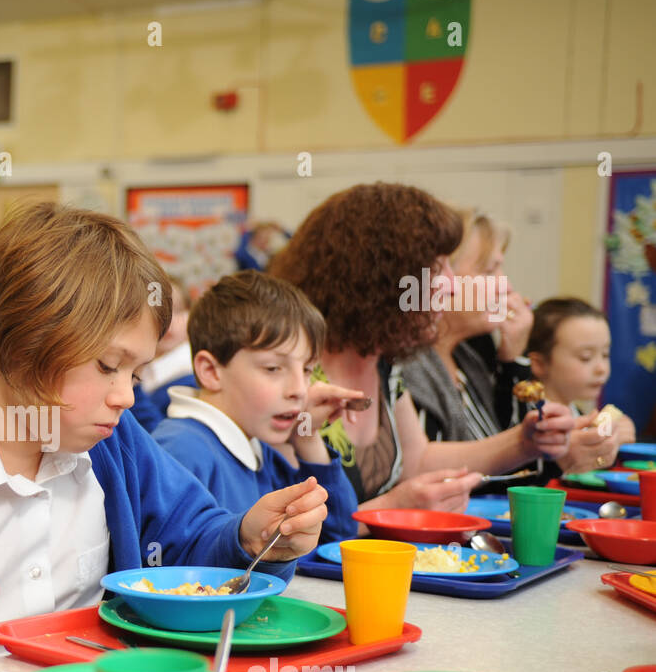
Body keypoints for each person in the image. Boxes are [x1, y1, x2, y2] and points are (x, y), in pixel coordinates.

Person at [0, 202, 329, 619]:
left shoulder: (114, 444)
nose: (126, 396)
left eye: (137, 373)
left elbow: (189, 544)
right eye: (107, 366)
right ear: (26, 344)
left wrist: (247, 539)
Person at [268, 183, 574, 517]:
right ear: (381, 275)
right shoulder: (291, 372)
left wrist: (524, 443)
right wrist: (391, 509)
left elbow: (417, 460)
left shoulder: (382, 360)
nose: (453, 283)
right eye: (437, 266)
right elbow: (277, 523)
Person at [153, 271, 360, 543]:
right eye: (273, 368)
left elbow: (336, 537)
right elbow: (166, 570)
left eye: (308, 370)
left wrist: (307, 438)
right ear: (211, 372)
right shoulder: (182, 451)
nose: (299, 389)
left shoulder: (254, 446)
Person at [401, 208, 534, 443]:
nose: (506, 287)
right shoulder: (407, 370)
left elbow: (517, 463)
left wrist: (513, 360)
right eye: (489, 271)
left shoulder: (468, 355)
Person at [519, 298, 636, 474]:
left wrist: (611, 445)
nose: (601, 368)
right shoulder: (526, 422)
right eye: (586, 357)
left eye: (605, 354)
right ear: (540, 364)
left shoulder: (581, 416)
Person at [130, 274, 196, 433]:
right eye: (158, 312)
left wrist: (136, 389)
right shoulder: (140, 363)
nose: (169, 321)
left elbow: (161, 435)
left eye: (178, 311)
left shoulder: (192, 377)